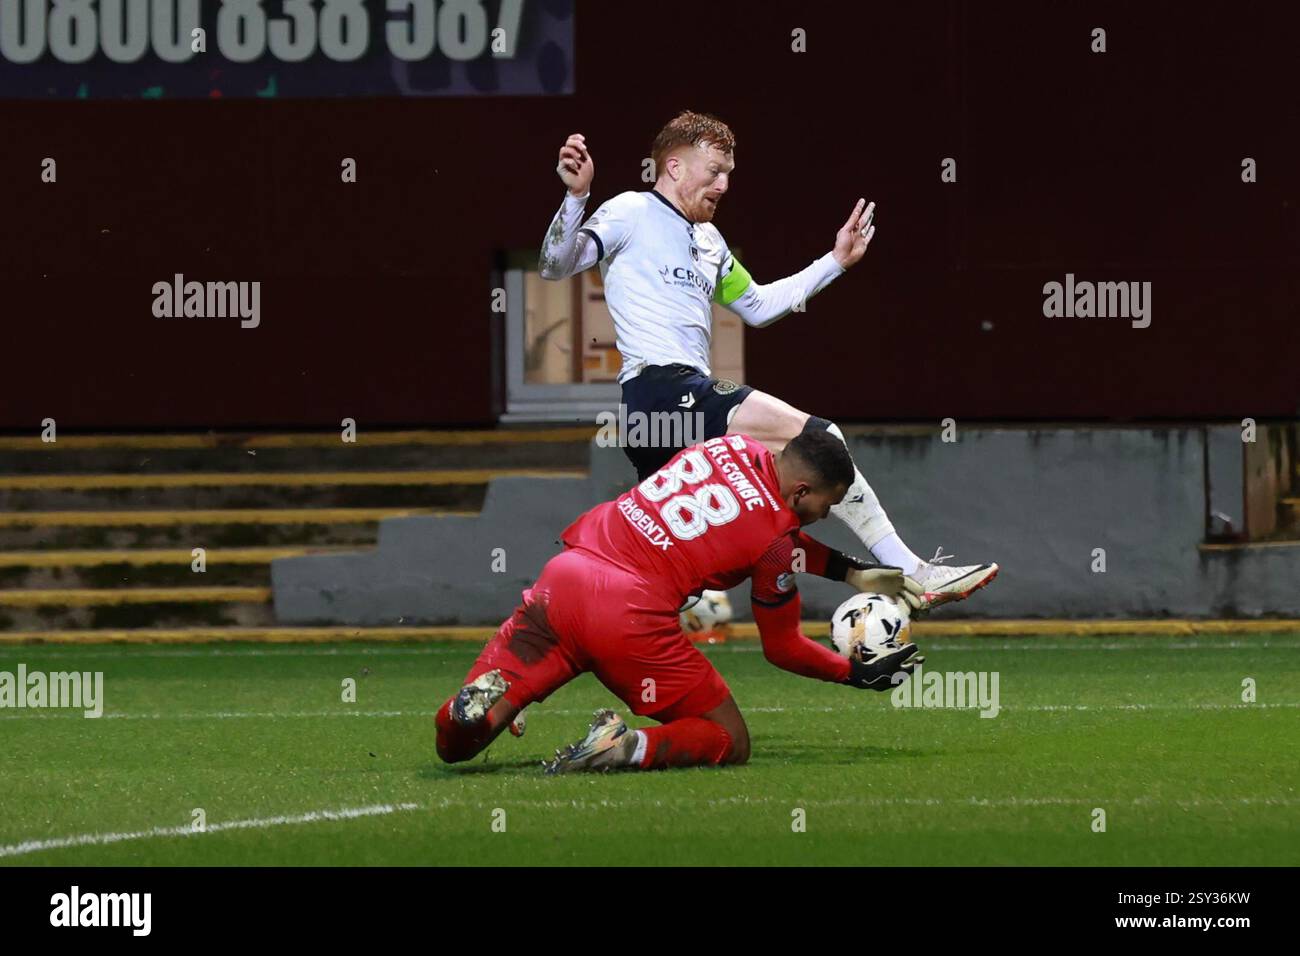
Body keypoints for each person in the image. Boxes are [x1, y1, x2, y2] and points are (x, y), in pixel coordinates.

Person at [539, 110, 998, 611]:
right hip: (662, 392)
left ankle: (571, 617)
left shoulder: (709, 242)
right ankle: (912, 571)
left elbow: (758, 307)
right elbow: (555, 265)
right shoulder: (631, 210)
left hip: (675, 413)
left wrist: (835, 262)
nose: (724, 183)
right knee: (818, 441)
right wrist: (577, 196)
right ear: (672, 167)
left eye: (729, 173)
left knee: (703, 562)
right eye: (714, 170)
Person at [435, 429, 924, 773]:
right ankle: (622, 747)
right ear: (802, 490)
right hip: (626, 617)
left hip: (564, 578)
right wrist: (857, 674)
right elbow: (782, 647)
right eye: (828, 502)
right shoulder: (777, 539)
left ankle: (467, 712)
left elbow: (759, 530)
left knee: (460, 745)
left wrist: (851, 571)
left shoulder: (731, 445)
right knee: (729, 739)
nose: (828, 512)